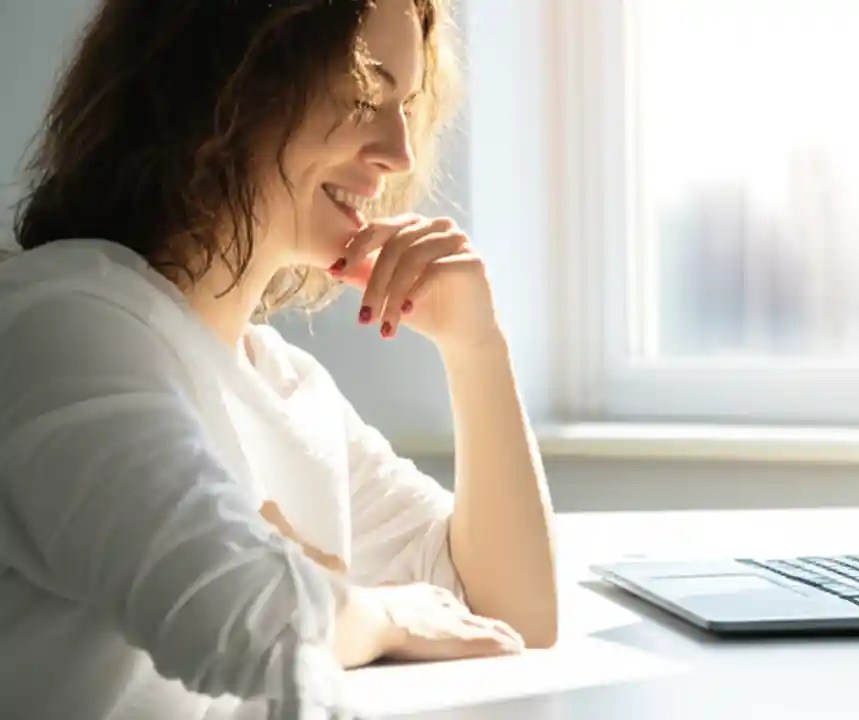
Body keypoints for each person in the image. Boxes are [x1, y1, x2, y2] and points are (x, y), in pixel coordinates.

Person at [0, 0, 556, 718]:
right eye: (365, 92)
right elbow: (250, 617)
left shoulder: (288, 386)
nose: (399, 153)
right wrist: (373, 611)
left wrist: (477, 351)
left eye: (407, 105)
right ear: (227, 82)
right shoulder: (63, 323)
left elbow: (511, 613)